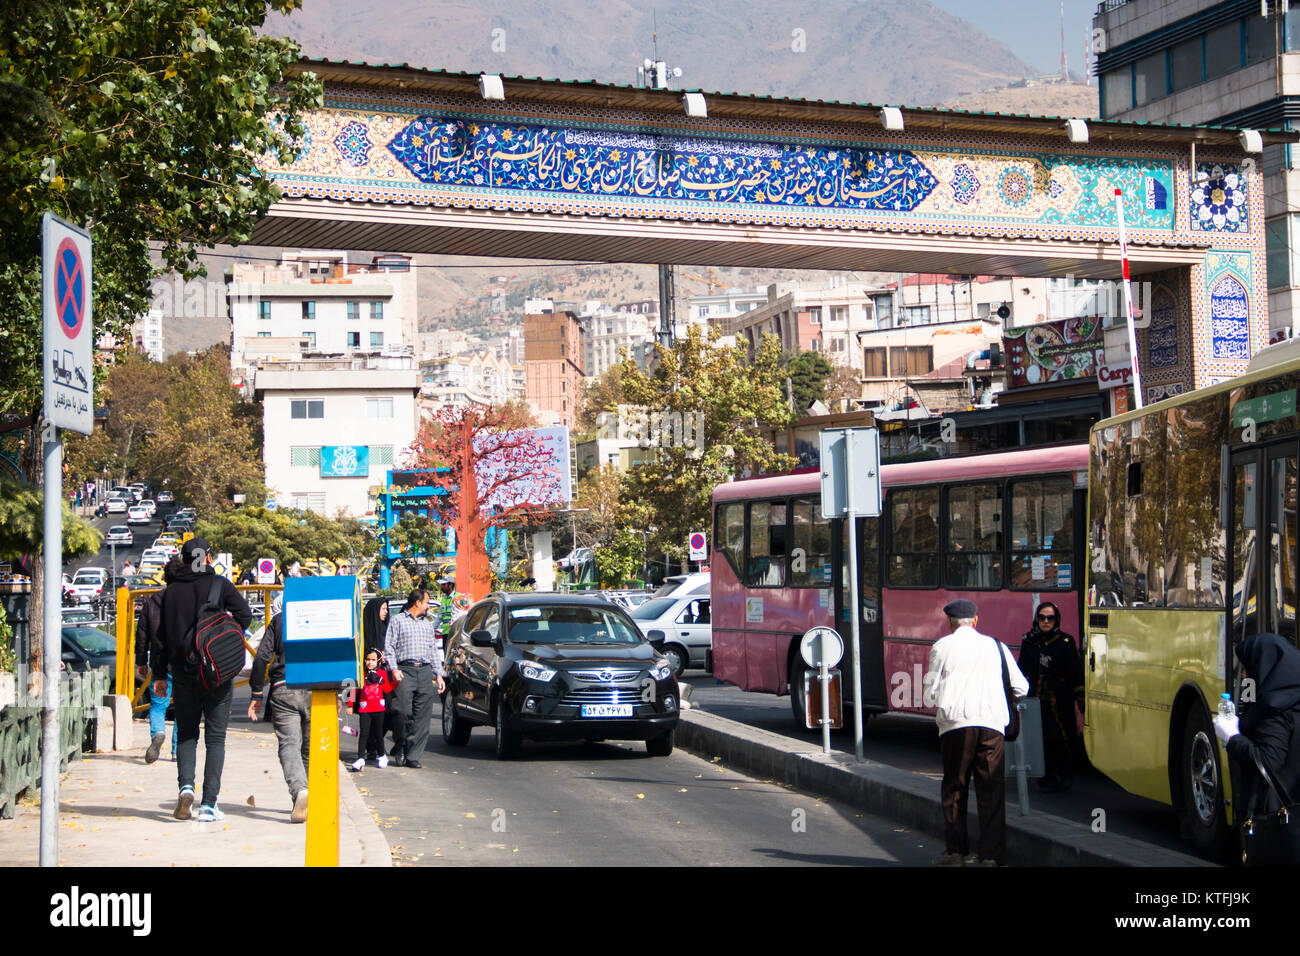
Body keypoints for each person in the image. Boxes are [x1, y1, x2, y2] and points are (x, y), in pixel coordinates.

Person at [151, 536, 253, 823]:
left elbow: (159, 639)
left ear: (185, 559)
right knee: (216, 737)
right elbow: (245, 615)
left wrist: (159, 674)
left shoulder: (170, 593)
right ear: (207, 558)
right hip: (216, 674)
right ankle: (209, 805)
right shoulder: (219, 585)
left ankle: (186, 787)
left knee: (186, 733)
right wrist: (225, 634)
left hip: (182, 674)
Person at [925, 598, 1028, 867]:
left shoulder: (942, 647)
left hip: (956, 726)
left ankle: (956, 853)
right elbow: (1022, 688)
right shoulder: (998, 647)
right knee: (991, 790)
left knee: (955, 787)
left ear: (949, 622)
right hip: (992, 725)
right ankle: (991, 858)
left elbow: (930, 693)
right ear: (976, 620)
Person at [1214, 632, 1300, 862]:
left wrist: (1232, 737)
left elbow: (1267, 760)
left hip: (1277, 818)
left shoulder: (1275, 709)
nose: (1245, 674)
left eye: (1248, 667)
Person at [247, 607, 310, 823]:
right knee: (309, 749)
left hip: (284, 686)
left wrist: (256, 692)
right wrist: (341, 692)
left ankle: (300, 790)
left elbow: (262, 656)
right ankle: (310, 794)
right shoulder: (321, 614)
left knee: (289, 744)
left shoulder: (279, 620)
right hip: (316, 689)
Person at [1016, 601, 1084, 792]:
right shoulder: (1030, 641)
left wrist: (1080, 695)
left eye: (1050, 618)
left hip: (1060, 700)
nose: (1046, 621)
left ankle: (1064, 776)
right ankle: (1044, 777)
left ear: (1056, 620)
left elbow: (1075, 671)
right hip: (1036, 702)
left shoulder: (1066, 642)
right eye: (1042, 618)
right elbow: (1022, 670)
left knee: (1062, 738)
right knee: (1039, 739)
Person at [383, 588, 446, 769]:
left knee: (422, 716)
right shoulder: (397, 621)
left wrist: (438, 674)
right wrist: (394, 669)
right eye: (427, 602)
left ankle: (413, 755)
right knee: (401, 712)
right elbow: (389, 648)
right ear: (417, 603)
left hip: (424, 671)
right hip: (404, 671)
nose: (428, 606)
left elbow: (432, 650)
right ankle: (401, 743)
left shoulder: (427, 625)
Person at [134, 558, 183, 764]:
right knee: (183, 706)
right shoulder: (185, 600)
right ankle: (176, 751)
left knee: (157, 705)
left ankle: (158, 733)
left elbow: (142, 633)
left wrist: (141, 661)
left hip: (160, 661)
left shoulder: (152, 601)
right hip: (183, 661)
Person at [349, 649, 396, 772]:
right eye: (368, 659)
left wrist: (396, 682)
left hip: (379, 708)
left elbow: (387, 689)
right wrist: (350, 705)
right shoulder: (361, 674)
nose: (370, 662)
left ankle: (382, 756)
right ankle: (360, 758)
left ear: (378, 661)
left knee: (378, 734)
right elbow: (354, 690)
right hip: (364, 708)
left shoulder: (382, 673)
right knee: (364, 734)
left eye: (373, 660)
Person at [434, 575, 469, 641]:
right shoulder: (444, 599)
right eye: (441, 584)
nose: (441, 587)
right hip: (445, 633)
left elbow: (464, 615)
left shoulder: (459, 598)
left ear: (450, 585)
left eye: (444, 584)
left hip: (456, 634)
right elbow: (439, 617)